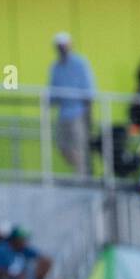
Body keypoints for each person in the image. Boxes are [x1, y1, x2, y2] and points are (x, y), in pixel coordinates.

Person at [48, 32, 95, 175]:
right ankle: (80, 169)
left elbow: (88, 89)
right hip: (64, 114)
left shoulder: (80, 63)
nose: (62, 49)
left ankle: (82, 177)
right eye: (59, 46)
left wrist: (88, 113)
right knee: (62, 146)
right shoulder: (55, 67)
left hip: (79, 112)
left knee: (80, 145)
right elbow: (53, 92)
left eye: (64, 46)